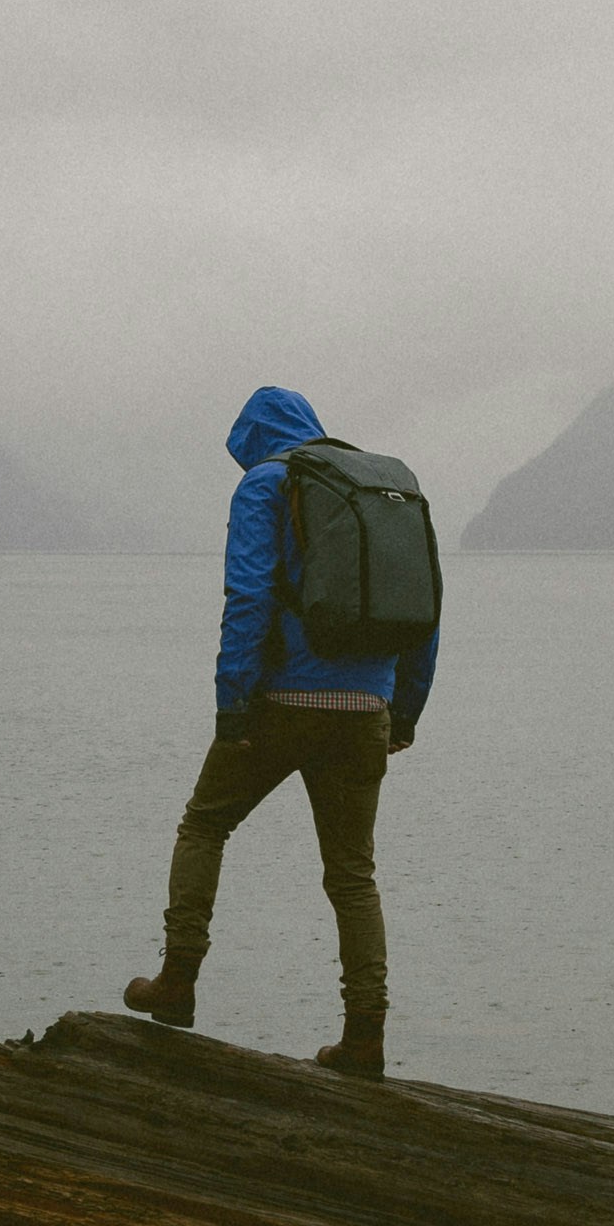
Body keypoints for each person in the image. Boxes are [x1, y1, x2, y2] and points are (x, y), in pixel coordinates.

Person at [123, 386, 437, 1077]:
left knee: (205, 825)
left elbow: (250, 596)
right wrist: (404, 711)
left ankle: (176, 983)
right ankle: (364, 1039)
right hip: (366, 710)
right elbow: (425, 609)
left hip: (280, 705)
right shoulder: (387, 488)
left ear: (252, 438)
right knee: (354, 876)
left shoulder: (268, 483)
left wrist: (233, 704)